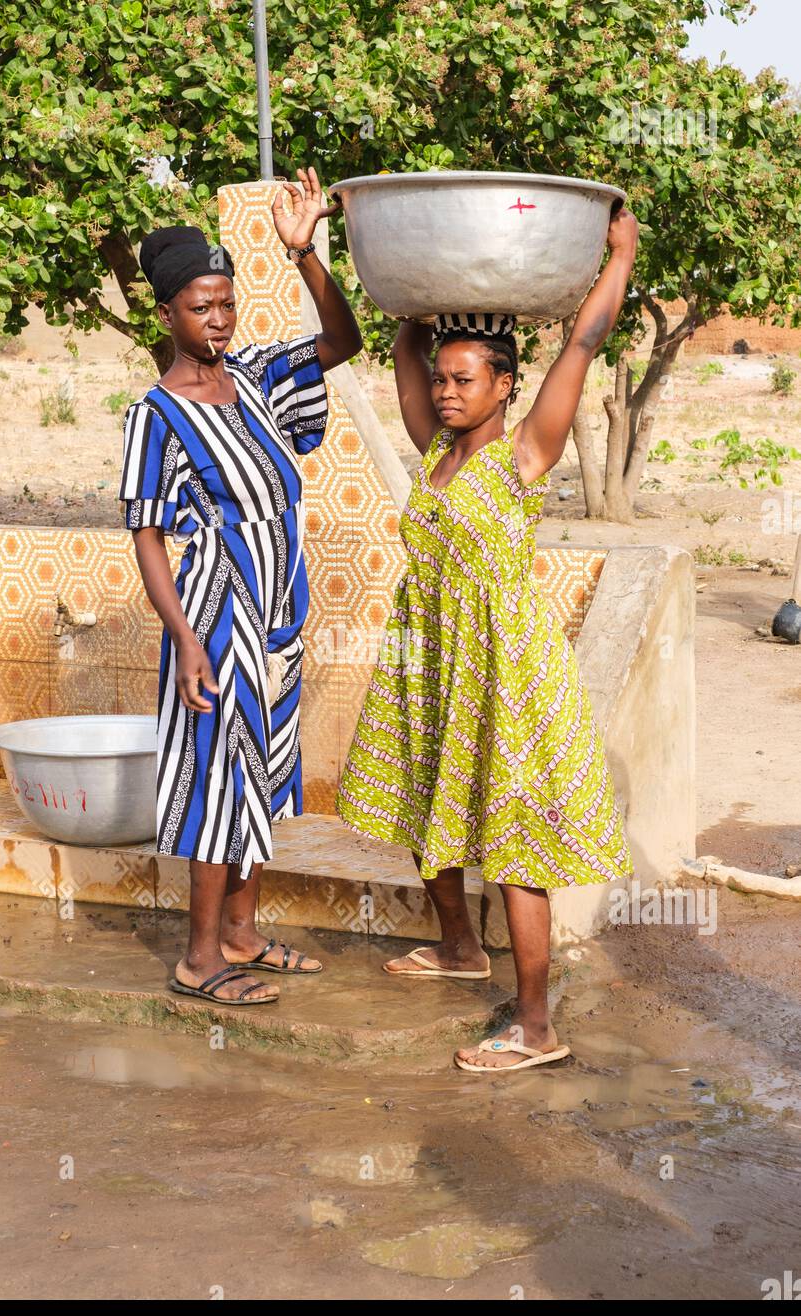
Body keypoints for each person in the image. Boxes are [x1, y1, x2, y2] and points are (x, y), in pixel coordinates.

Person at [336, 206, 639, 1072]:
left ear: (505, 387)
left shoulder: (523, 457)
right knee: (420, 801)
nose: (446, 392)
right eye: (444, 381)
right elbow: (401, 353)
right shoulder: (438, 451)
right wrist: (408, 280)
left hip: (506, 669)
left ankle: (536, 1025)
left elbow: (580, 346)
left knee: (512, 842)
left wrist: (617, 260)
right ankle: (461, 947)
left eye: (466, 381)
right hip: (431, 658)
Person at [120, 167, 361, 1007]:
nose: (218, 318)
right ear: (168, 316)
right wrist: (186, 639)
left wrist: (305, 257)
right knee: (218, 783)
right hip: (217, 615)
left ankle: (243, 935)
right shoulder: (157, 413)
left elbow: (342, 342)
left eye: (226, 302)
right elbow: (148, 534)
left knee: (261, 774)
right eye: (200, 307)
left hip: (280, 614)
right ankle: (198, 959)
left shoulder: (256, 374)